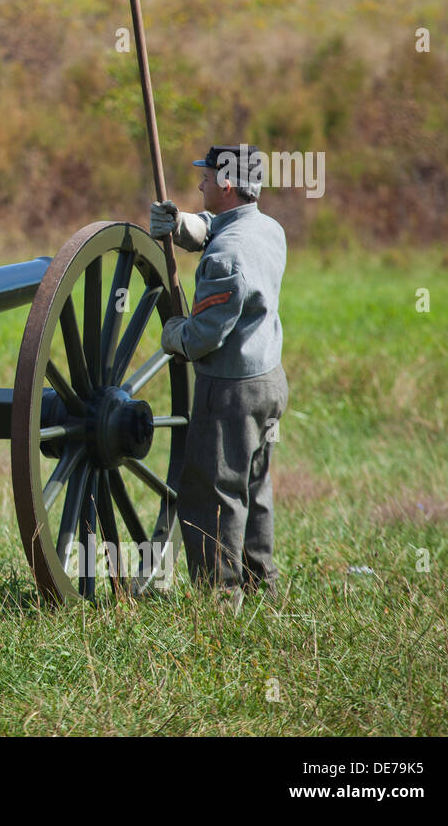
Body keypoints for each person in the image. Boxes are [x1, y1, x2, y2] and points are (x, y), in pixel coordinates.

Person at [150, 144, 288, 605]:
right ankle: (260, 585)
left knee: (214, 492)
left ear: (227, 184)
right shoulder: (269, 230)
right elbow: (218, 228)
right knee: (255, 487)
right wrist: (181, 226)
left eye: (206, 177)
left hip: (229, 392)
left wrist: (173, 333)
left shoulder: (226, 257)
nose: (200, 183)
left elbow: (204, 335)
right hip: (269, 382)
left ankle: (220, 601)